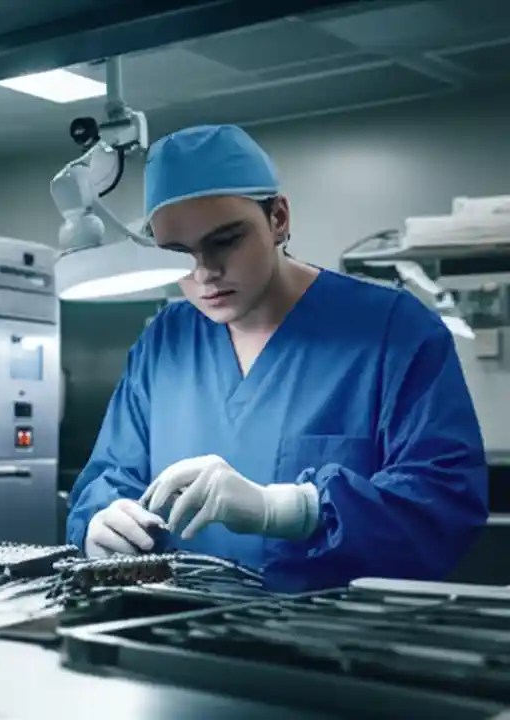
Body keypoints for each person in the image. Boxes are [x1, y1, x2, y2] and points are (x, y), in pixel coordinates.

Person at [64, 124, 489, 592]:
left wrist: (289, 509)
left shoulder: (394, 331)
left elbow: (442, 505)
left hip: (337, 644)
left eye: (225, 241)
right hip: (175, 632)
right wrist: (98, 522)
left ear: (278, 218)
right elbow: (108, 474)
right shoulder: (166, 340)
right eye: (179, 253)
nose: (205, 273)